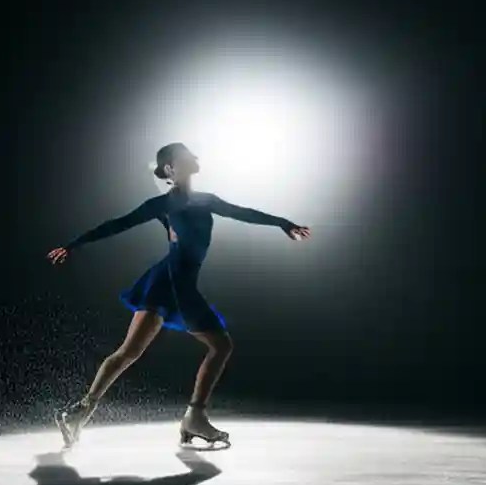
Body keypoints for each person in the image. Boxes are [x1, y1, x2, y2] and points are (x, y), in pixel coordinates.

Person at [46, 142, 311, 448]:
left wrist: (283, 224)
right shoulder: (162, 204)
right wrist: (73, 245)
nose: (194, 157)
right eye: (186, 156)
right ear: (170, 169)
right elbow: (117, 224)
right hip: (174, 281)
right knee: (218, 345)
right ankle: (192, 417)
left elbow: (243, 213)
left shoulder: (206, 200)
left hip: (171, 279)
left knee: (131, 352)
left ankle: (79, 412)